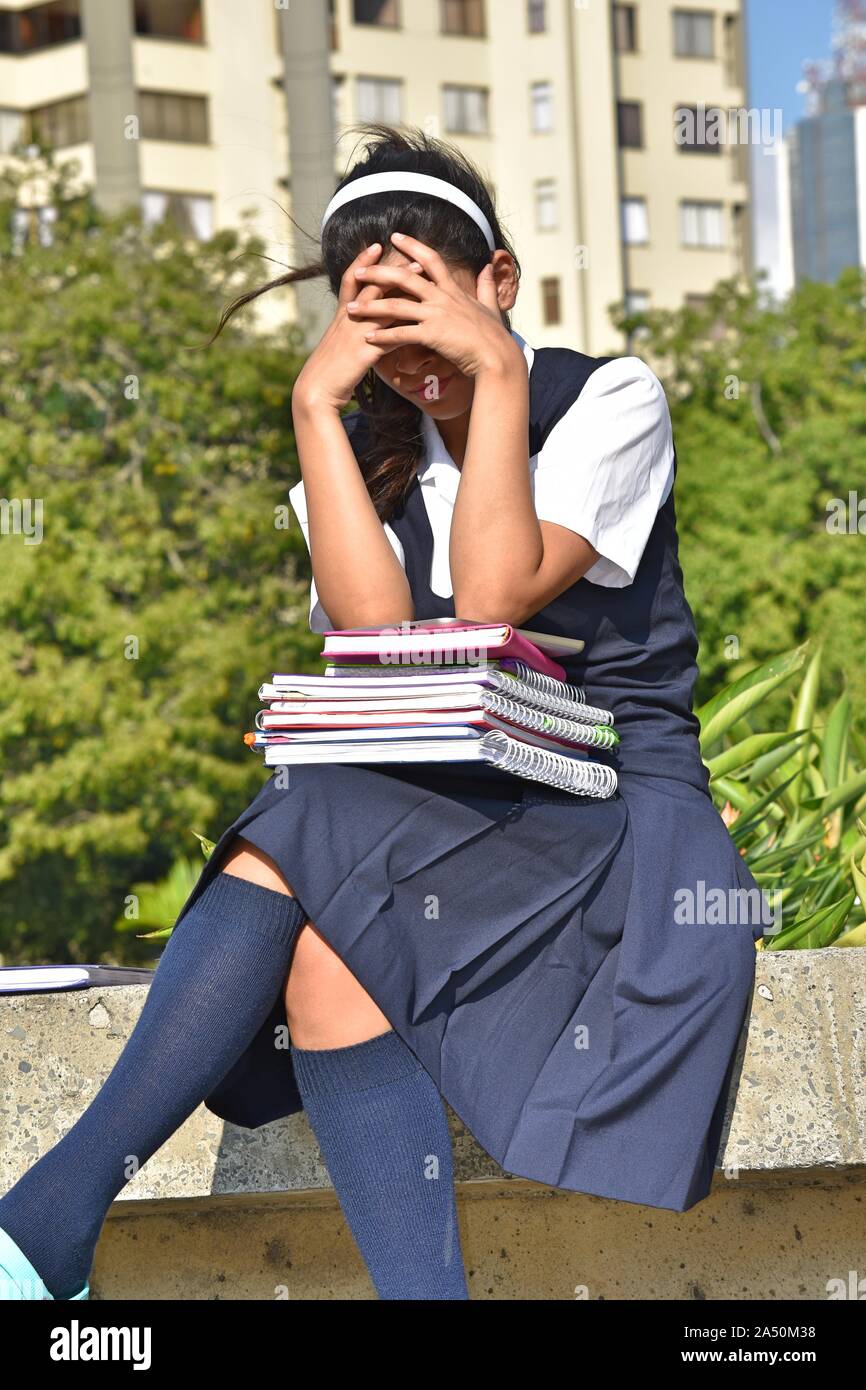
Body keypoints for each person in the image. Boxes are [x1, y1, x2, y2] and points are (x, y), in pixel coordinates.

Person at [0, 125, 762, 1304]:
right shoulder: (362, 450)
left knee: (312, 819)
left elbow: (497, 590)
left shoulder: (605, 396)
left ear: (495, 282)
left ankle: (48, 1223)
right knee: (325, 951)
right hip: (458, 814)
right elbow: (372, 654)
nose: (406, 355)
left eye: (425, 307)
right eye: (373, 323)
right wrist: (315, 405)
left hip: (614, 813)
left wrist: (495, 370)